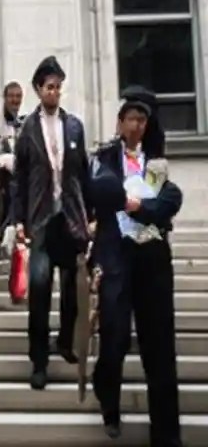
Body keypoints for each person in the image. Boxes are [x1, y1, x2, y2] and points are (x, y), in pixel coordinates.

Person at [88, 86, 182, 446]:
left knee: (159, 348)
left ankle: (166, 434)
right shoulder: (105, 158)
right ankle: (108, 400)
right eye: (131, 118)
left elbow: (168, 202)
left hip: (152, 260)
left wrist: (141, 207)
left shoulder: (156, 163)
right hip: (116, 257)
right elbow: (98, 191)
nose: (137, 125)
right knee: (114, 337)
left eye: (142, 119)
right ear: (120, 122)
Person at [12, 55, 91, 391]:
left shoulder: (73, 126)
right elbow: (18, 180)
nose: (54, 92)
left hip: (70, 216)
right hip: (41, 219)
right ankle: (39, 360)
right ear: (38, 89)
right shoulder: (27, 130)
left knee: (71, 285)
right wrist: (18, 220)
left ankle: (65, 341)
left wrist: (92, 216)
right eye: (49, 87)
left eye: (58, 87)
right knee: (41, 285)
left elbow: (83, 173)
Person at [0, 81, 26, 256]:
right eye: (11, 96)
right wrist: (0, 159)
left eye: (18, 97)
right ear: (5, 98)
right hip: (0, 181)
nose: (15, 100)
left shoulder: (24, 124)